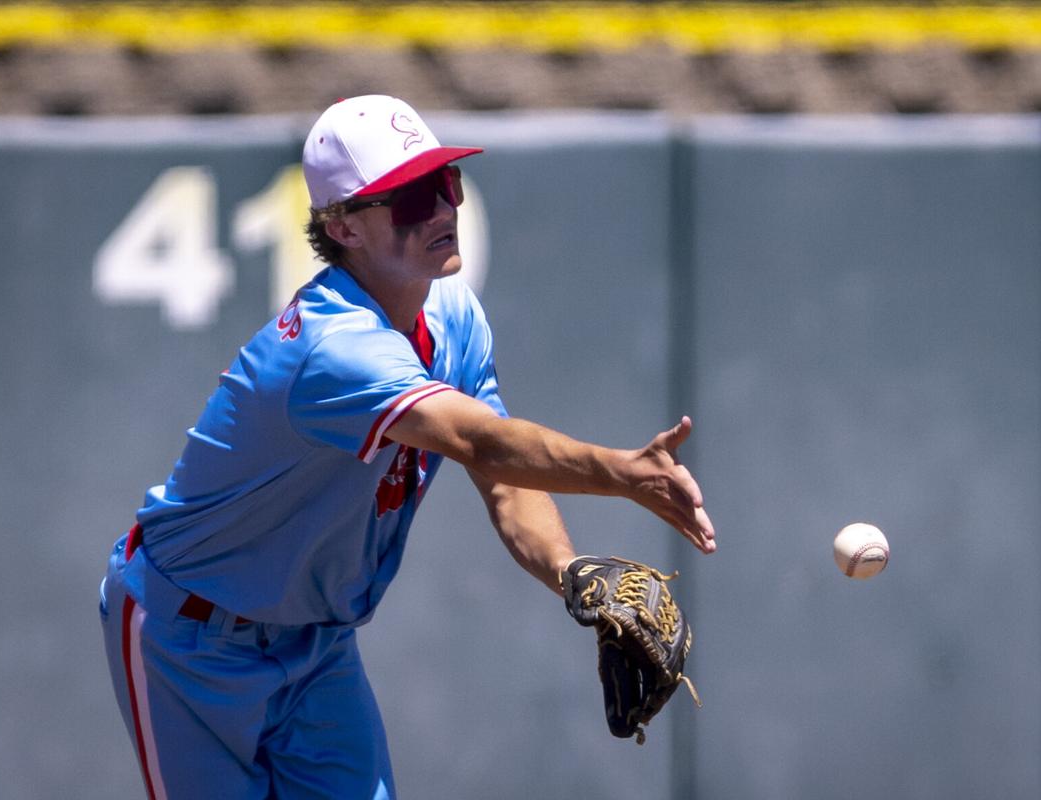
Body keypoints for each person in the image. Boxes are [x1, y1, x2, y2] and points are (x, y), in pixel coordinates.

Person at [99, 94, 716, 800]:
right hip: (189, 639)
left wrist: (570, 572)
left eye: (445, 183)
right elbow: (476, 437)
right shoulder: (334, 348)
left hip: (316, 641)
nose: (441, 209)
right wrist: (622, 473)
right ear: (343, 227)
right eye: (411, 196)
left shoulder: (451, 312)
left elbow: (503, 475)